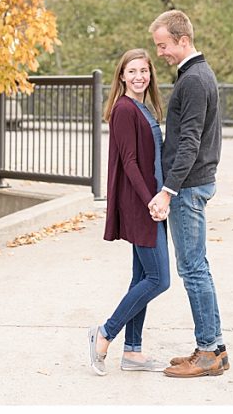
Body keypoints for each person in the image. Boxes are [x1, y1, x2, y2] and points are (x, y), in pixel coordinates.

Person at [148, 9, 227, 377]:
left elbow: (190, 141)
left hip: (189, 186)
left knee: (193, 269)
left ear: (183, 40)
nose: (160, 53)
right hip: (195, 182)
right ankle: (214, 347)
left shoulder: (194, 79)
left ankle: (208, 353)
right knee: (199, 267)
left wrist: (168, 190)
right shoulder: (195, 75)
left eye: (163, 45)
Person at [87, 49, 171, 375]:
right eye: (132, 71)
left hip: (153, 204)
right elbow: (130, 162)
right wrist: (150, 200)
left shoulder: (144, 107)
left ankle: (133, 353)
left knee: (142, 278)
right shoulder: (123, 109)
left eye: (144, 71)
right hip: (142, 206)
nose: (139, 76)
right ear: (121, 75)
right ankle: (105, 333)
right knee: (159, 279)